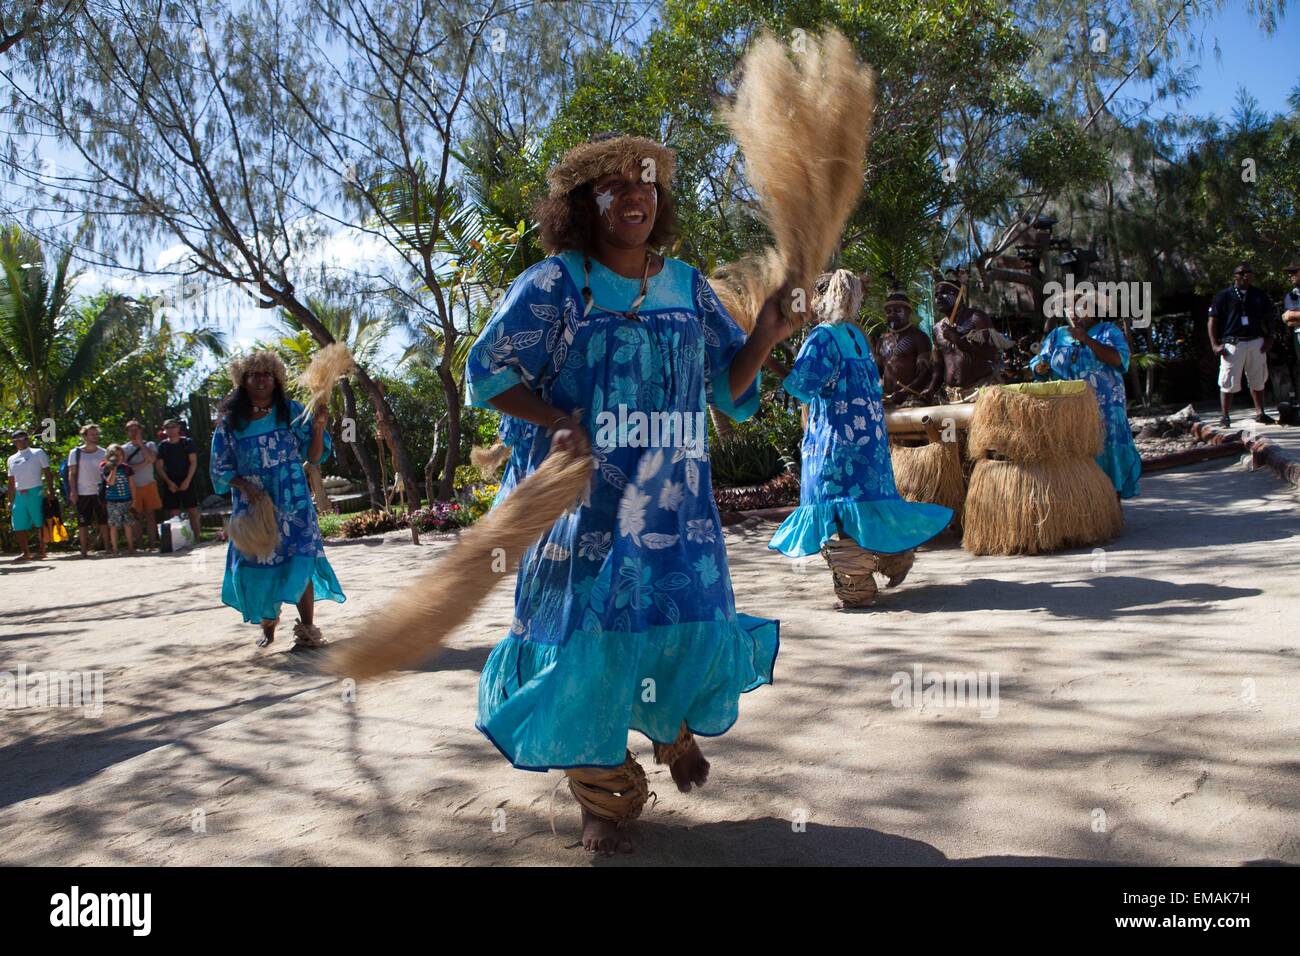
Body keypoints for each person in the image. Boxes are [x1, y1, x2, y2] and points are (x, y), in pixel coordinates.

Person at [465, 132, 789, 855]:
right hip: (585, 508)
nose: (636, 194)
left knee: (679, 620)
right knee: (586, 634)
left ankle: (670, 729)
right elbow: (487, 371)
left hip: (676, 507)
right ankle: (603, 799)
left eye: (648, 183)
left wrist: (764, 332)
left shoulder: (686, 287)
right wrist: (555, 420)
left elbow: (729, 396)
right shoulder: (556, 284)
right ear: (585, 205)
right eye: (615, 185)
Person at [768, 271, 953, 608]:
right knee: (869, 500)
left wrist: (764, 358)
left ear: (821, 299)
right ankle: (896, 557)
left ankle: (857, 587)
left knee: (839, 508)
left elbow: (800, 386)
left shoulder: (822, 337)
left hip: (835, 440)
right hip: (869, 438)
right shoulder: (857, 335)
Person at [210, 350, 344, 649]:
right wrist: (243, 484)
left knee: (301, 561)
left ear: (276, 379)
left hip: (293, 500)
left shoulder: (293, 411)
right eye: (254, 375)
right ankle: (268, 626)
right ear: (242, 381)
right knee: (257, 563)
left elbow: (313, 456)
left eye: (267, 374)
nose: (261, 380)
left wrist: (319, 428)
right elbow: (220, 468)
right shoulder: (232, 423)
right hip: (254, 505)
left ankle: (308, 630)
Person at [1032, 290, 1141, 499]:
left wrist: (1087, 340)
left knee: (1105, 453)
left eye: (1081, 307)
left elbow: (1119, 360)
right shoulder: (1057, 336)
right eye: (1069, 308)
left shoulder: (1108, 332)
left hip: (1105, 410)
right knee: (1075, 454)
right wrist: (1039, 368)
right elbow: (1038, 362)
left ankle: (1110, 505)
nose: (1074, 313)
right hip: (1068, 409)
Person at [1208, 263, 1275, 427]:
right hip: (1233, 342)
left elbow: (1269, 316)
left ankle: (1260, 413)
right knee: (1228, 379)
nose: (1247, 275)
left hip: (1255, 341)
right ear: (1235, 276)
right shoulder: (1223, 296)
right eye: (1243, 273)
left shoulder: (1259, 295)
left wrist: (1269, 338)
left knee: (1258, 378)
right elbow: (1212, 321)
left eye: (1250, 272)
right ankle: (1225, 416)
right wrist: (1215, 344)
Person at [933, 271, 1008, 401]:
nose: (938, 298)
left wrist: (958, 340)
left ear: (959, 295)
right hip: (952, 396)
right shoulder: (937, 328)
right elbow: (938, 365)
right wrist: (930, 388)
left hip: (981, 391)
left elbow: (994, 355)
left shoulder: (976, 318)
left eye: (944, 293)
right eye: (936, 294)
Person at [876, 289, 941, 407]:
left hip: (911, 400)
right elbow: (878, 371)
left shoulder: (919, 337)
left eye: (897, 311)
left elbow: (925, 373)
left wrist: (905, 392)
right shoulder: (882, 339)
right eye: (888, 311)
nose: (892, 315)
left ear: (908, 312)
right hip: (888, 400)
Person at [6, 429, 53, 561]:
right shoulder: (11, 459)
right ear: (14, 442)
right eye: (19, 439)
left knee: (39, 521)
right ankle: (25, 552)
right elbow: (11, 480)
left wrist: (50, 491)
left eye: (25, 438)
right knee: (19, 524)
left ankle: (42, 550)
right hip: (19, 493)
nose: (23, 441)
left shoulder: (38, 453)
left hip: (35, 490)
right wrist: (10, 500)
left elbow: (47, 473)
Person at [67, 423, 109, 557]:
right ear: (85, 436)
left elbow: (107, 472)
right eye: (92, 434)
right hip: (82, 492)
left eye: (97, 434)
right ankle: (84, 550)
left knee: (104, 520)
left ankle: (108, 547)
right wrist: (73, 491)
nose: (95, 437)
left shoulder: (103, 452)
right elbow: (72, 473)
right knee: (83, 522)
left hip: (100, 491)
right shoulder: (75, 453)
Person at [157, 418, 201, 540]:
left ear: (178, 428)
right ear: (164, 430)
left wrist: (187, 480)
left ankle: (197, 538)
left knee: (192, 510)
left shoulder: (187, 442)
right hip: (170, 481)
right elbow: (159, 466)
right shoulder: (163, 446)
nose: (171, 430)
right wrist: (169, 482)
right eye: (167, 428)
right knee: (173, 513)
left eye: (173, 427)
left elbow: (193, 462)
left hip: (187, 479)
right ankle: (179, 540)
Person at [122, 420, 162, 549]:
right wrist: (144, 464)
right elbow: (125, 467)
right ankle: (139, 545)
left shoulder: (150, 445)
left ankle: (152, 544)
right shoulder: (124, 449)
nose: (134, 433)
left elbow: (152, 459)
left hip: (149, 484)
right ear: (127, 432)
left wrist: (140, 444)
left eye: (136, 429)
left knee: (150, 515)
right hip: (133, 486)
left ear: (141, 430)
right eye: (131, 430)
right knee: (136, 516)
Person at [100, 444, 138, 555]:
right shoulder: (105, 467)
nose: (117, 458)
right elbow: (110, 482)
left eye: (119, 455)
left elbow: (132, 485)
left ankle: (131, 547)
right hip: (112, 501)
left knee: (128, 524)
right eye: (114, 455)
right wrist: (114, 468)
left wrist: (134, 501)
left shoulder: (127, 468)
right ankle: (115, 549)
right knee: (113, 525)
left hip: (126, 500)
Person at [1281, 261, 1300, 399]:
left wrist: (1294, 315)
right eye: (1289, 273)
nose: (1290, 276)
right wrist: (1292, 316)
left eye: (1294, 272)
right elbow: (1288, 318)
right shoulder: (1291, 294)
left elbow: (1293, 315)